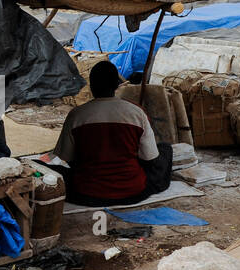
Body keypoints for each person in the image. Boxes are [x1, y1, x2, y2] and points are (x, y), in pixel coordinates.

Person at [52, 61, 172, 207]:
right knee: (165, 149)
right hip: (132, 192)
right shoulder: (137, 113)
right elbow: (150, 158)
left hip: (86, 193)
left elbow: (68, 158)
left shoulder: (76, 115)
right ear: (116, 85)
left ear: (91, 85)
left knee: (48, 171)